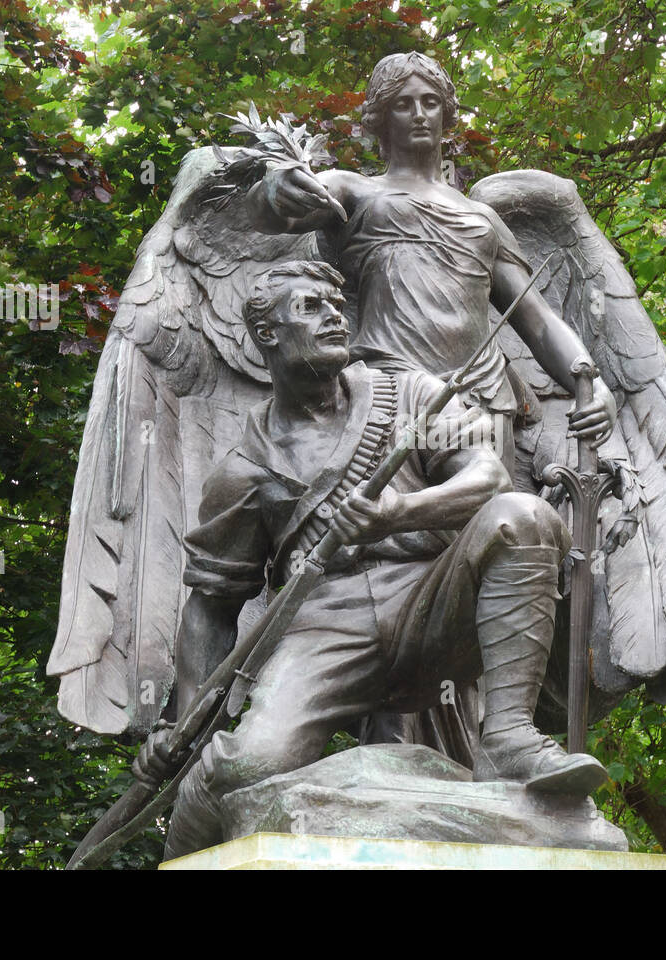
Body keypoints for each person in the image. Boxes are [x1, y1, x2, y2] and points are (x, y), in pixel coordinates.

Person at [137, 260, 607, 858]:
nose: (334, 314)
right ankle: (189, 836)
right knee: (246, 764)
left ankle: (511, 738)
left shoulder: (410, 393)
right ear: (267, 335)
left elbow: (488, 476)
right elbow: (211, 604)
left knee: (526, 516)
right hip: (324, 630)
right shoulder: (244, 470)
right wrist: (180, 725)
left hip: (430, 603)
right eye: (310, 306)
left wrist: (398, 513)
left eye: (337, 304)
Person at [245, 51, 617, 473]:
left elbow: (538, 321)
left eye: (430, 102)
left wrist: (593, 383)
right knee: (378, 523)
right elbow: (277, 211)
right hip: (391, 390)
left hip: (483, 396)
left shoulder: (483, 219)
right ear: (381, 117)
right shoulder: (355, 191)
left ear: (446, 112)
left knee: (496, 519)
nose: (419, 114)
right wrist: (274, 188)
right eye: (403, 104)